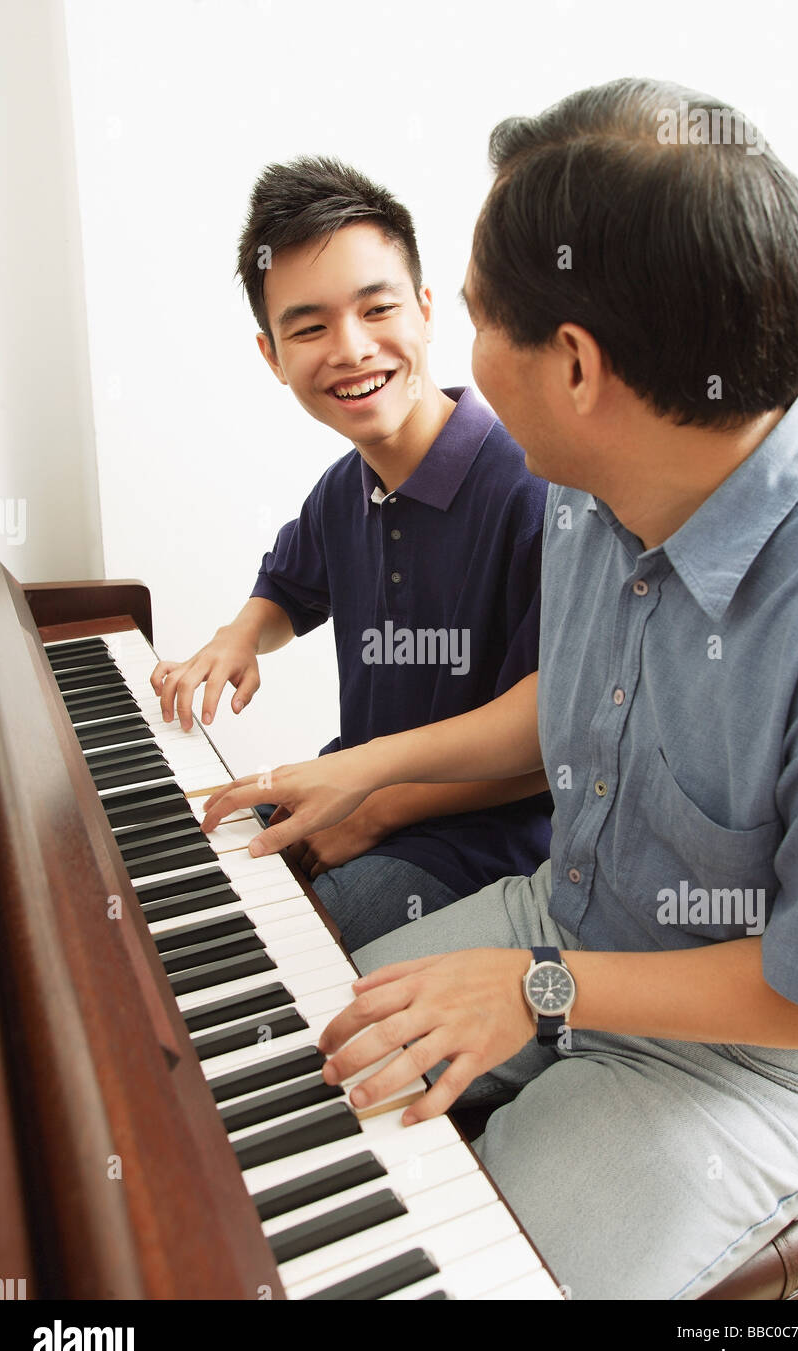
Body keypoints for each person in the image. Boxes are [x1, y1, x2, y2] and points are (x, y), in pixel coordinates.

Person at [201, 79, 798, 1299]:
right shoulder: (584, 478)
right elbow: (559, 710)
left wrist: (539, 989)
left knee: (445, 1262)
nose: (454, 353)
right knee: (273, 1074)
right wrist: (374, 781)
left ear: (575, 365)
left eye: (480, 312)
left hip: (737, 1059)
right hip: (557, 918)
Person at [151, 156, 551, 951]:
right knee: (170, 872)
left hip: (485, 849)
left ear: (428, 310)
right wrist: (238, 636)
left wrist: (372, 806)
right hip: (357, 793)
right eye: (309, 328)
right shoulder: (345, 489)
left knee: (249, 952)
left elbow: (551, 739)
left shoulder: (531, 482)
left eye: (377, 309)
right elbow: (287, 590)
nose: (351, 347)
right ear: (272, 356)